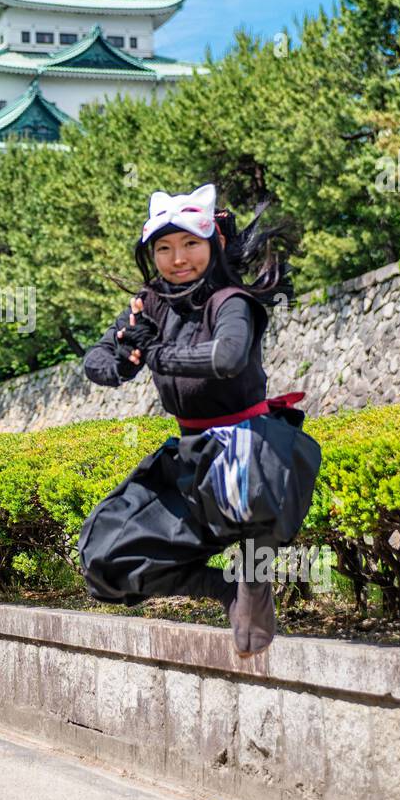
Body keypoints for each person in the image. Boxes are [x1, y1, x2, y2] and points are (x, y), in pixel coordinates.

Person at [77, 182, 322, 658]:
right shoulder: (150, 302)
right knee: (104, 558)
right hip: (189, 460)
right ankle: (226, 589)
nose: (178, 258)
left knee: (252, 490)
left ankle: (254, 573)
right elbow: (97, 358)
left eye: (190, 243)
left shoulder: (231, 300)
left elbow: (228, 356)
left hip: (248, 451)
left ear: (215, 244)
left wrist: (156, 353)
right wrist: (123, 361)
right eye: (164, 248)